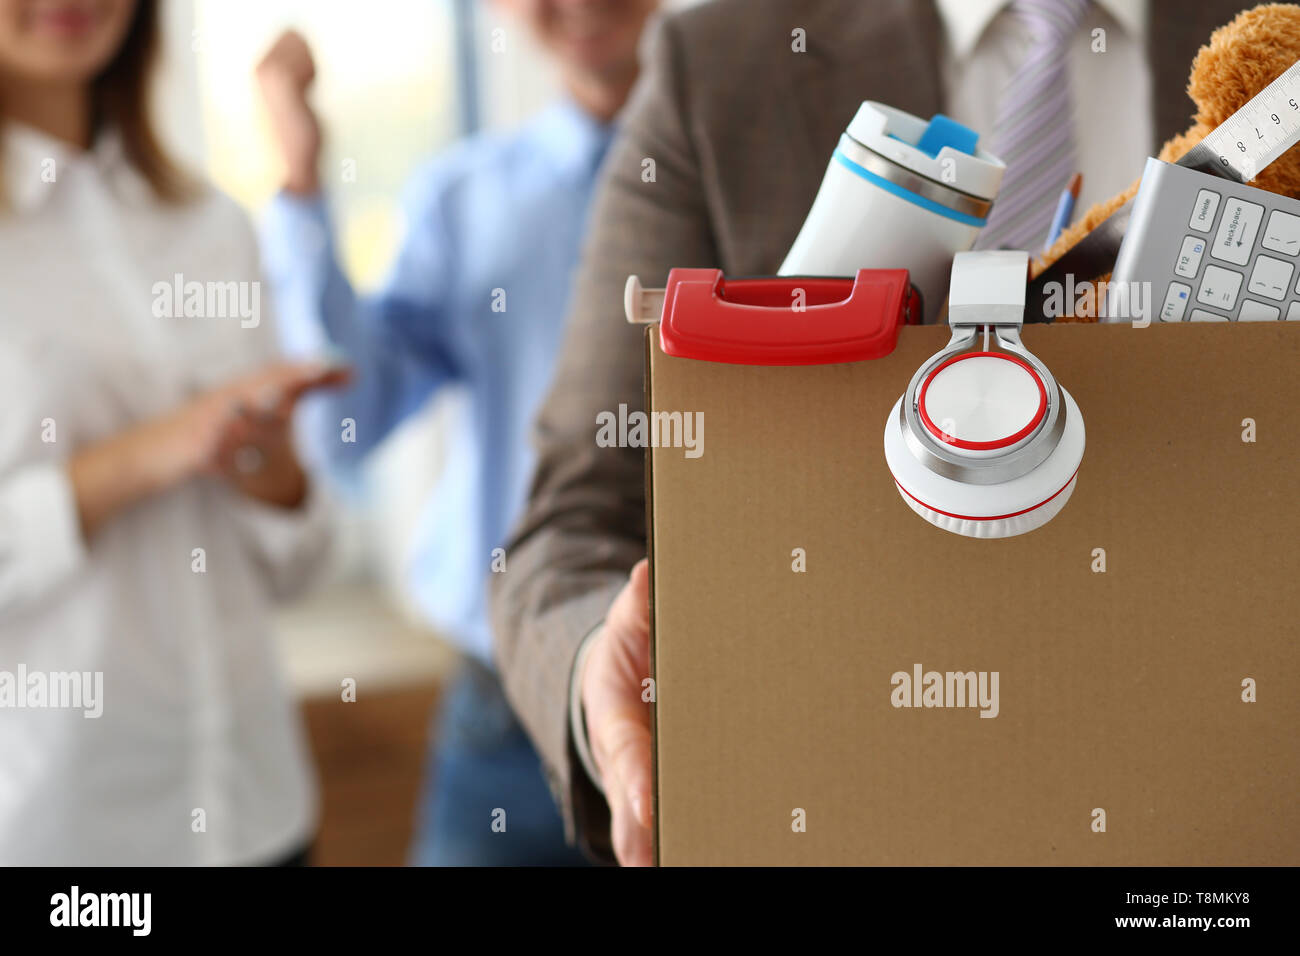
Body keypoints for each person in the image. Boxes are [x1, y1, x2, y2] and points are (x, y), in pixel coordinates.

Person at [489, 0, 1253, 865]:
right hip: (848, 805)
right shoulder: (722, 66)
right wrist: (601, 668)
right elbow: (572, 518)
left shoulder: (1275, 59)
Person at [255, 0, 660, 865]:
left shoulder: (755, 181)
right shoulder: (464, 196)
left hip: (700, 688)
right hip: (500, 700)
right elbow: (347, 428)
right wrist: (299, 179)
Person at [0, 0, 346, 865]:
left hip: (259, 806)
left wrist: (271, 475)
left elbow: (296, 566)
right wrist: (146, 457)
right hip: (66, 831)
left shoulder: (212, 226)